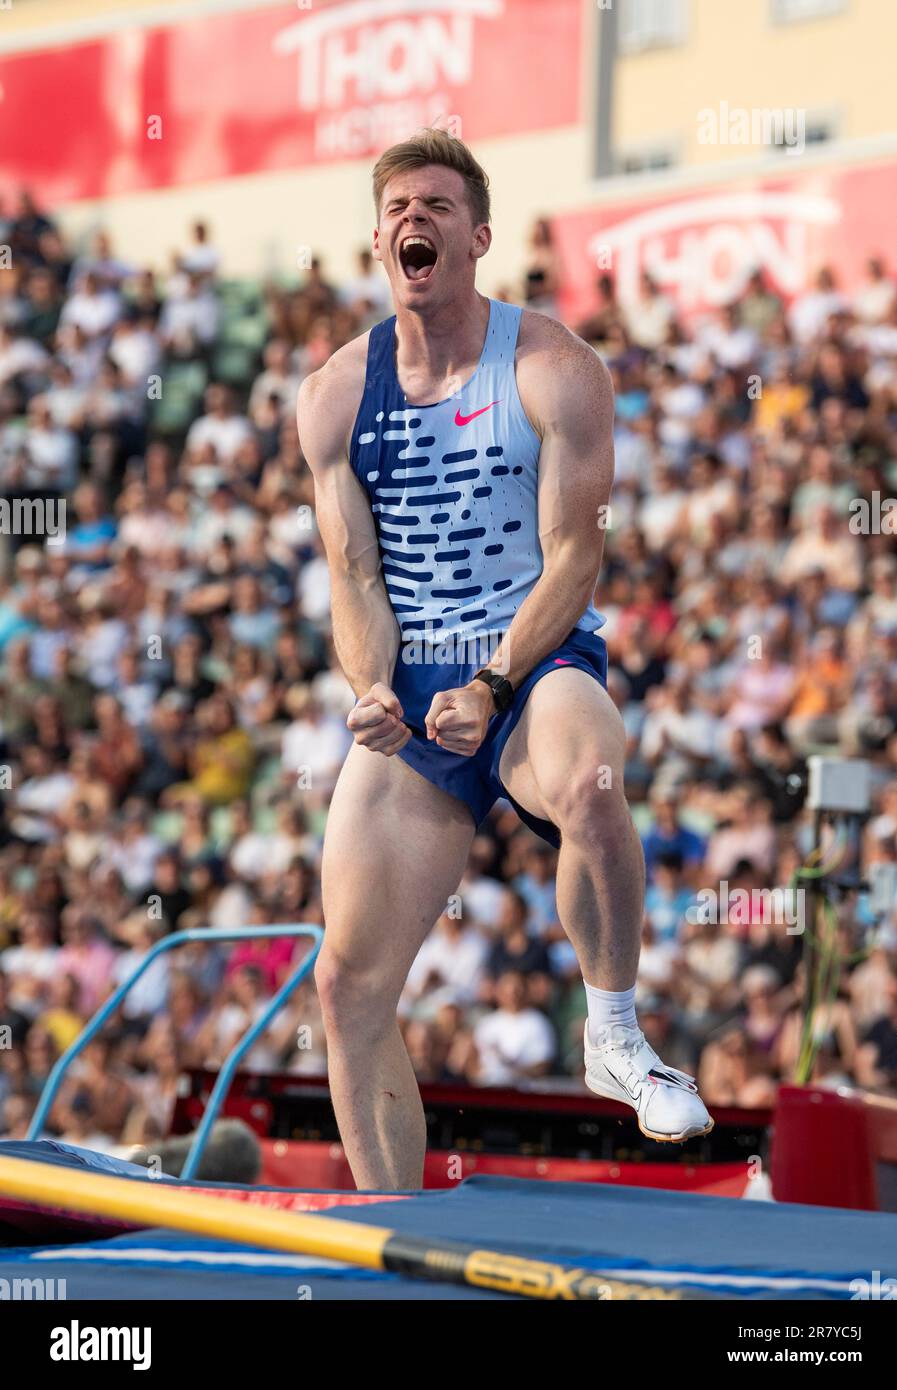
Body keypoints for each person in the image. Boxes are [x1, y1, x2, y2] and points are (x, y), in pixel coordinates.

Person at [297, 129, 712, 1189]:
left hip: (528, 661)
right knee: (346, 985)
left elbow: (578, 554)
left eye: (437, 205)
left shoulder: (552, 367)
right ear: (379, 240)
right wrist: (373, 688)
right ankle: (394, 1234)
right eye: (397, 207)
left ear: (477, 236)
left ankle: (613, 1029)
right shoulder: (339, 396)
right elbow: (353, 575)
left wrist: (492, 682)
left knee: (591, 778)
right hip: (418, 678)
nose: (413, 221)